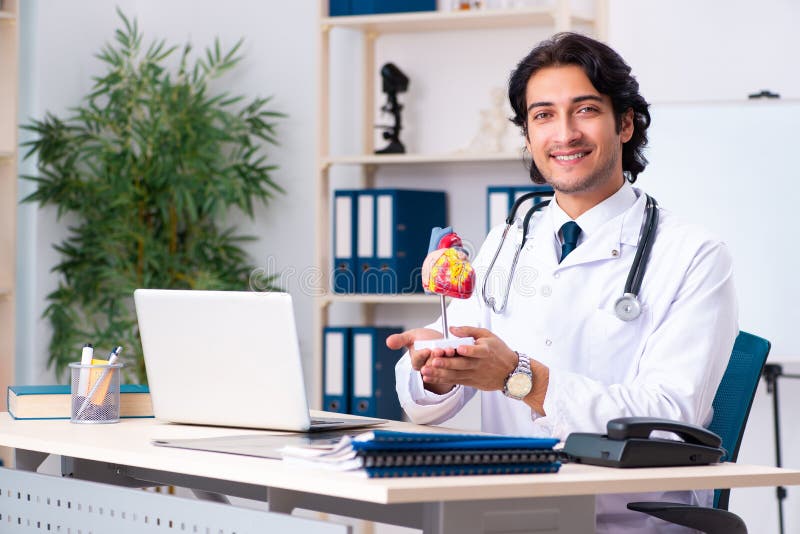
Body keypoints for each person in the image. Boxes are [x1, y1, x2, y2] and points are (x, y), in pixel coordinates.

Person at [387, 32, 738, 533]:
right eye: (543, 115)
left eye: (586, 109)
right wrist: (434, 371)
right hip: (508, 514)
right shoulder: (505, 242)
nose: (565, 133)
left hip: (628, 522)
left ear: (625, 124)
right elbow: (426, 409)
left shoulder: (694, 255)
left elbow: (668, 422)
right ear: (528, 136)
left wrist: (518, 376)